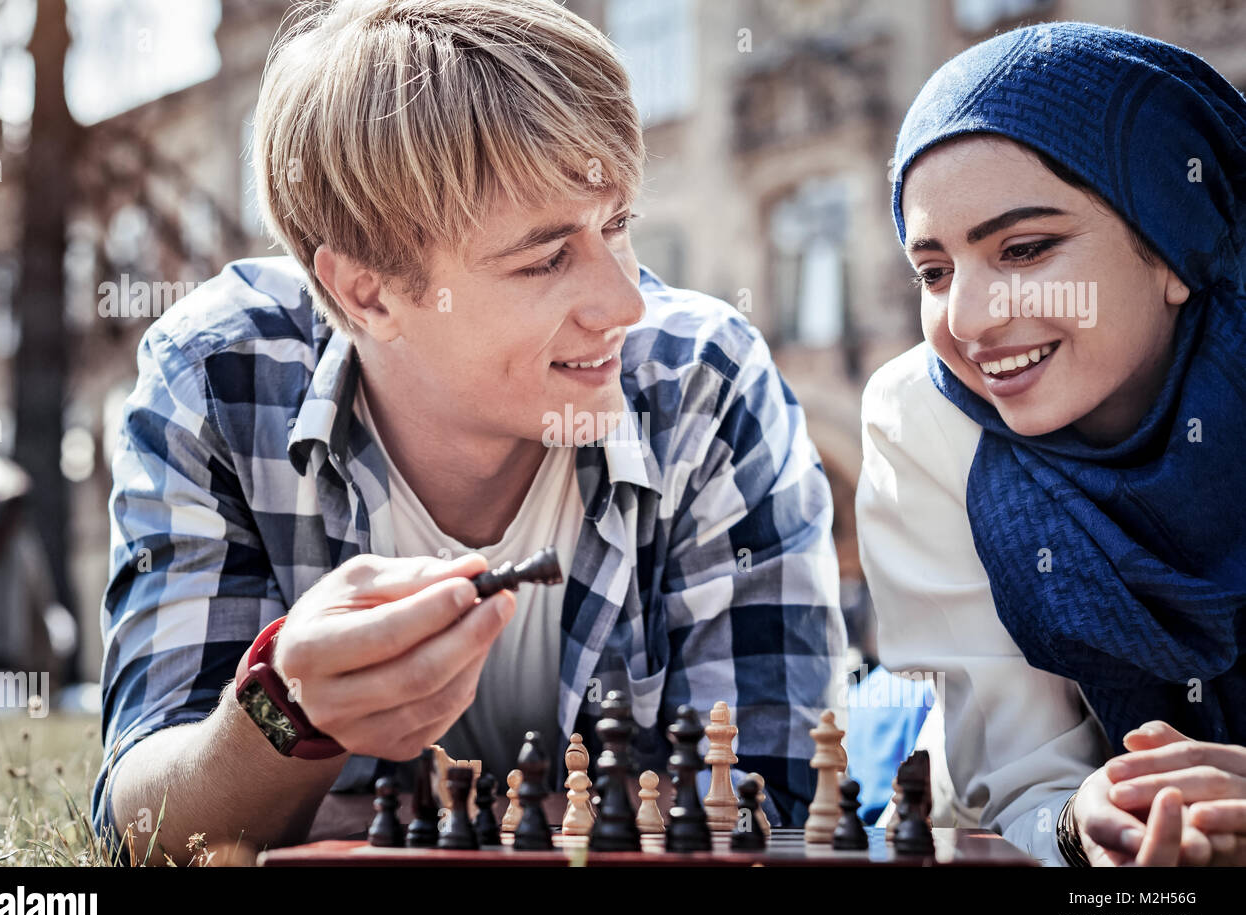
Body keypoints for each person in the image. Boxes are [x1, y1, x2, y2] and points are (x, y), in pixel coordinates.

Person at [92, 0, 844, 863]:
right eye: (545, 259)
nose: (627, 304)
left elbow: (775, 799)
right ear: (367, 292)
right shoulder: (214, 379)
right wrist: (284, 712)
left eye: (617, 226)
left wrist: (399, 826)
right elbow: (140, 824)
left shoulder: (705, 385)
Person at [857, 21, 1246, 866]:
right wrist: (1085, 818)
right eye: (934, 271)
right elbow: (1022, 772)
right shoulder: (924, 418)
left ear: (1176, 243)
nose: (966, 321)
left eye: (1025, 249)